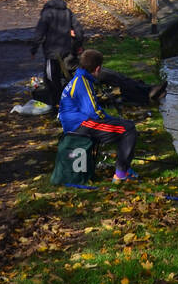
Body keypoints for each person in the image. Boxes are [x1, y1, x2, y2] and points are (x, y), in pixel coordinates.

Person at [58, 49, 139, 184]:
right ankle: (120, 174)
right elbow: (94, 113)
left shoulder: (79, 78)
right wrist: (114, 121)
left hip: (75, 123)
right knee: (128, 129)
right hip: (79, 125)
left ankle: (124, 167)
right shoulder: (82, 82)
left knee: (122, 126)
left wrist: (115, 121)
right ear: (98, 68)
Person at [29, 0, 84, 107]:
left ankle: (57, 104)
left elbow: (40, 32)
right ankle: (74, 99)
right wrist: (78, 44)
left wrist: (34, 49)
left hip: (52, 53)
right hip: (68, 50)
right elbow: (78, 29)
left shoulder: (47, 13)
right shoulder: (67, 11)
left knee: (51, 79)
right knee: (69, 75)